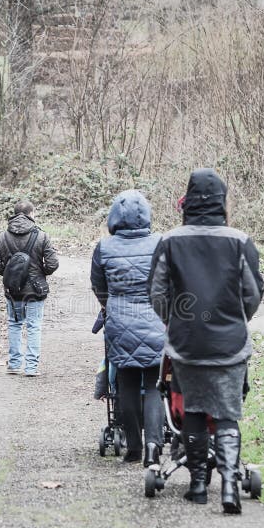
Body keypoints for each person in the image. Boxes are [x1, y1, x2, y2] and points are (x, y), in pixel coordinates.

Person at [148, 169, 264, 514]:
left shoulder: (170, 241)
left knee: (194, 411)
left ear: (188, 200)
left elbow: (156, 293)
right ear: (221, 202)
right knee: (227, 414)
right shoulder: (240, 241)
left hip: (186, 344)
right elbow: (252, 293)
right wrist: (235, 319)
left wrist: (175, 319)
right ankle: (230, 486)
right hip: (230, 345)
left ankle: (199, 484)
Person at [91, 190, 165, 466]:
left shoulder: (104, 247)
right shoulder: (160, 243)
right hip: (157, 320)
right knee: (156, 386)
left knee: (128, 384)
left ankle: (134, 449)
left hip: (120, 323)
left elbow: (98, 285)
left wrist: (111, 306)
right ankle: (154, 448)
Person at [0, 200, 59, 377]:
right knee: (34, 326)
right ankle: (31, 367)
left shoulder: (3, 236)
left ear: (15, 214)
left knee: (14, 323)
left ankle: (13, 364)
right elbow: (53, 263)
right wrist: (41, 273)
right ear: (31, 214)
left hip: (13, 290)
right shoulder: (41, 236)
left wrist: (10, 274)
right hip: (35, 290)